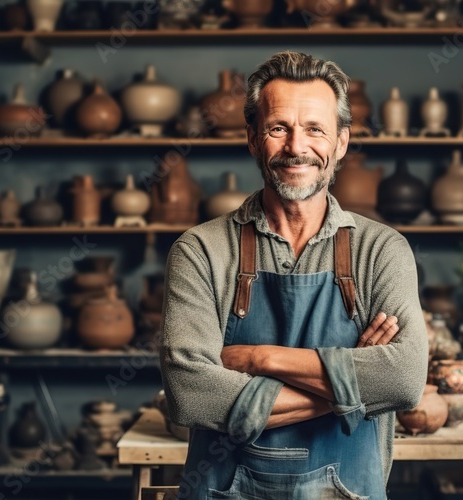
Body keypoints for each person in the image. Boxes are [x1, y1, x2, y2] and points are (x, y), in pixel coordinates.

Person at [160, 51, 428, 499]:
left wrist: (258, 358)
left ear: (341, 142)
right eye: (278, 128)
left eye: (315, 129)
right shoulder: (201, 251)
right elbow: (190, 393)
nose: (296, 147)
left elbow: (402, 380)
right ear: (251, 138)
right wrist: (351, 393)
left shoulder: (381, 250)